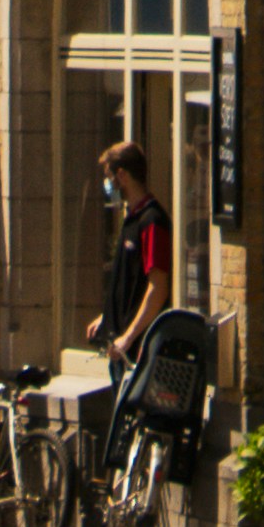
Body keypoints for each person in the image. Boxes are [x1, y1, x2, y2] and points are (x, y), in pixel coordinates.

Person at [86, 139, 170, 367]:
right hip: (121, 351)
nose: (108, 184)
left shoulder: (151, 221)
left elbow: (157, 287)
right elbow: (127, 283)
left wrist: (129, 338)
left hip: (138, 352)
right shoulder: (131, 219)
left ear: (122, 175)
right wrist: (107, 317)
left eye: (109, 176)